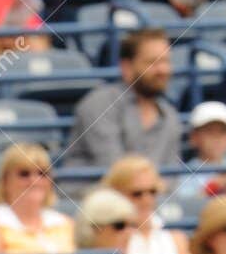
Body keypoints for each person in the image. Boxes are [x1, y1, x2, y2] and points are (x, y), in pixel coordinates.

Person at [62, 27, 179, 170]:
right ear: (127, 67)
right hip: (93, 191)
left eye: (166, 61)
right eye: (152, 62)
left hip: (151, 191)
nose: (163, 70)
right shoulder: (100, 103)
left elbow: (172, 177)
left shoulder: (170, 116)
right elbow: (114, 170)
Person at [104, 154, 194, 254]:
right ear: (116, 195)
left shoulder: (176, 237)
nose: (147, 200)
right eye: (137, 194)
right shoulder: (108, 238)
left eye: (152, 192)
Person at [171, 102, 226, 204]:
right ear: (194, 137)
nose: (216, 138)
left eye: (221, 132)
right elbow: (184, 208)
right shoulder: (184, 174)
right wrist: (210, 188)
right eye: (209, 132)